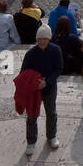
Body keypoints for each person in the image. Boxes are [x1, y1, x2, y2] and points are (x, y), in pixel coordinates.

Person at [21, 25, 63, 155]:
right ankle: (31, 141)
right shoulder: (30, 53)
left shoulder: (56, 50)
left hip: (49, 88)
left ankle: (51, 136)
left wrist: (47, 82)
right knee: (32, 116)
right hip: (34, 90)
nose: (42, 42)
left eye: (44, 39)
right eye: (39, 39)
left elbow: (59, 68)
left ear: (49, 39)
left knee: (51, 113)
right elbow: (24, 72)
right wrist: (35, 82)